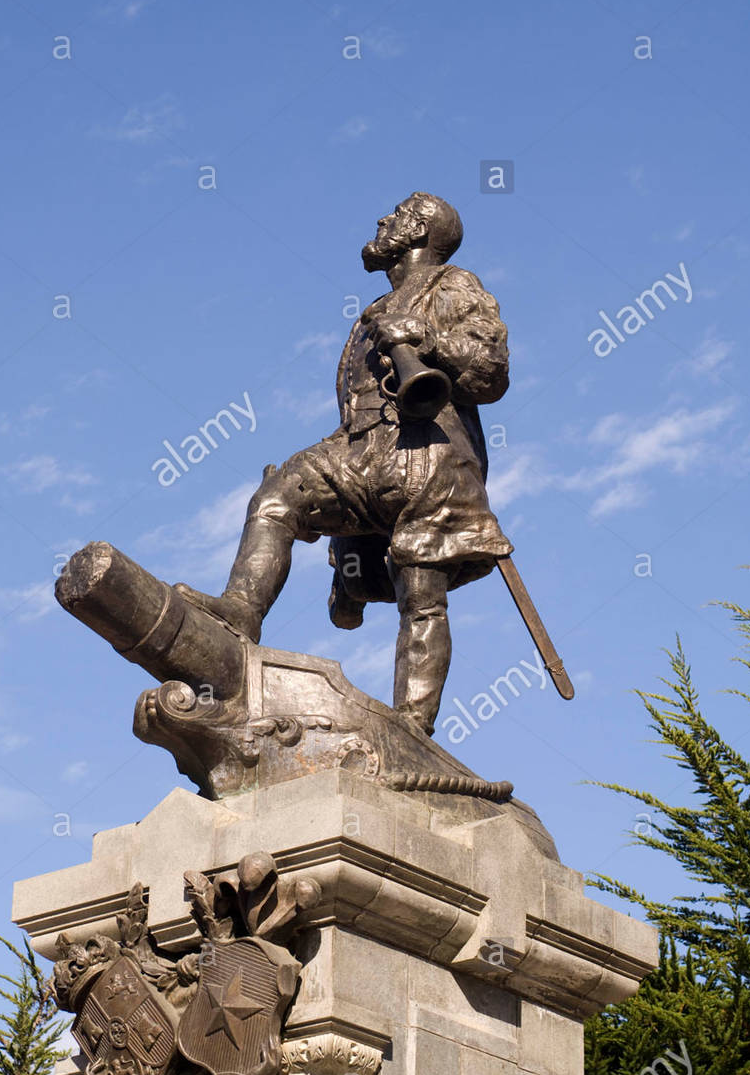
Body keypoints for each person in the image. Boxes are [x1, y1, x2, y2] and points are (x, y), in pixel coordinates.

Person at [178, 192, 512, 735]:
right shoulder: (374, 312)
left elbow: (490, 372)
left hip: (430, 462)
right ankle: (243, 609)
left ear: (423, 231)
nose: (384, 219)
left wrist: (425, 337)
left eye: (399, 215)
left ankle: (412, 728)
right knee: (276, 499)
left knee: (421, 594)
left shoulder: (454, 286)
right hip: (363, 450)